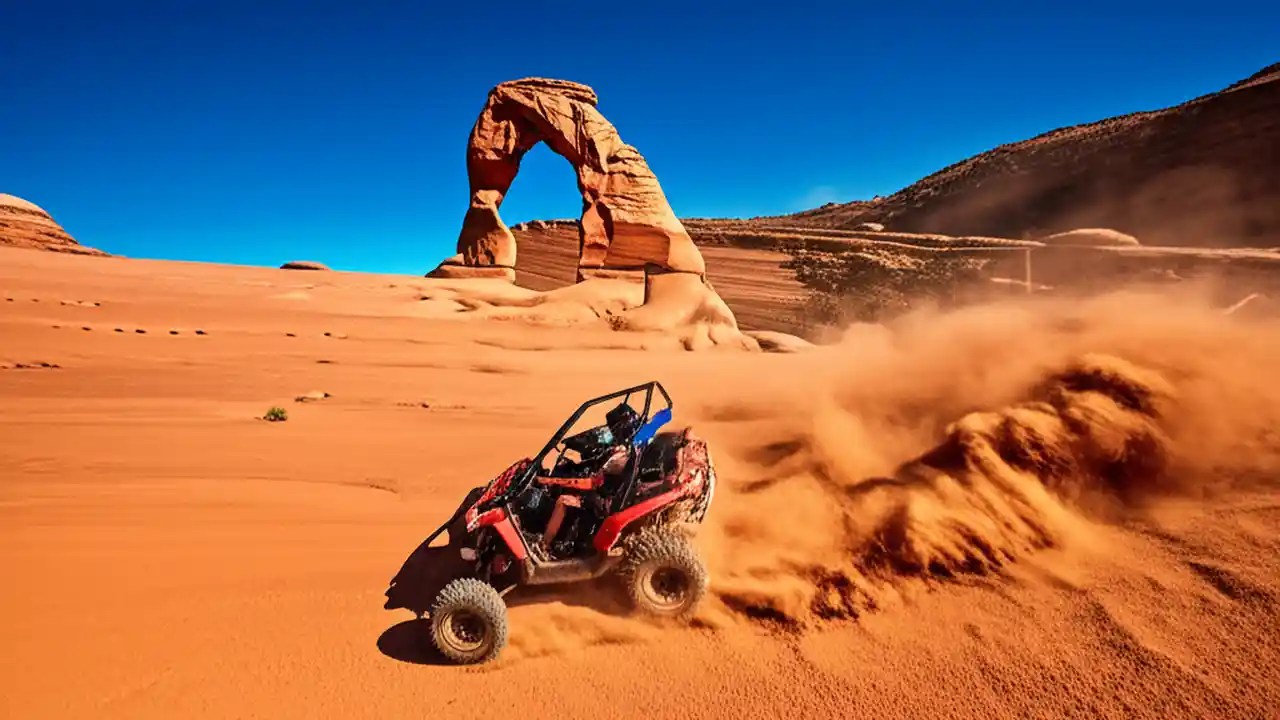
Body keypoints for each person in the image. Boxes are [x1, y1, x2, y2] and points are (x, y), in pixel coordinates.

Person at [535, 403, 641, 557]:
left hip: (605, 503)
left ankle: (544, 547)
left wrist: (552, 481)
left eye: (613, 427)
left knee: (563, 501)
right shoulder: (627, 450)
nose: (611, 430)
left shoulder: (620, 458)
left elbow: (591, 483)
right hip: (606, 495)